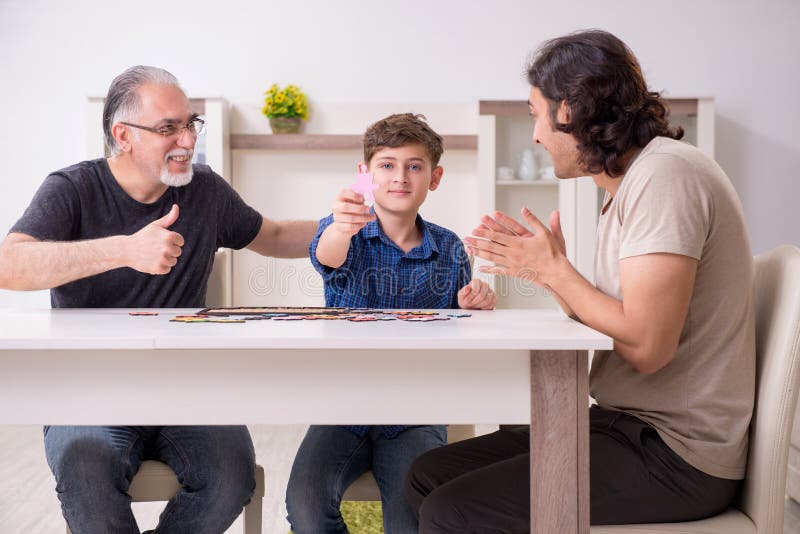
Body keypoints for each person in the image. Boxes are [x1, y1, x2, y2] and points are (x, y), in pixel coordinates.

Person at [405, 29, 755, 532]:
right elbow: (618, 322)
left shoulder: (666, 179)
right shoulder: (635, 184)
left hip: (676, 455)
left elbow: (648, 347)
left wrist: (555, 270)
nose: (536, 136)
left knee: (450, 509)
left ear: (570, 110)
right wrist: (548, 274)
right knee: (428, 476)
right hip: (627, 425)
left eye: (535, 115)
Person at [0, 65, 317, 534]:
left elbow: (272, 234)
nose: (187, 139)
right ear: (123, 135)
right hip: (88, 392)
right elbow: (10, 265)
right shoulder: (72, 188)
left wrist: (352, 224)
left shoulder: (205, 190)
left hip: (183, 390)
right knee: (86, 470)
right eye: (168, 128)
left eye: (190, 123)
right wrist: (124, 249)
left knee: (230, 476)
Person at [285, 113, 496, 534]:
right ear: (366, 175)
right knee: (305, 509)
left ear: (434, 178)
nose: (400, 177)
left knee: (408, 521)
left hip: (415, 408)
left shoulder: (449, 247)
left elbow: (460, 324)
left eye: (414, 166)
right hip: (343, 405)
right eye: (386, 165)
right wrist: (342, 226)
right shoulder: (342, 232)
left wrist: (476, 306)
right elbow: (327, 254)